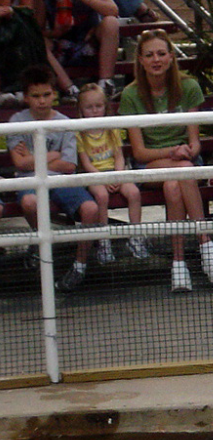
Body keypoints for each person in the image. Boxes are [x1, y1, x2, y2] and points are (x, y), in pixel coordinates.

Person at [119, 28, 213, 292]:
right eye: (149, 55)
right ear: (141, 60)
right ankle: (206, 246)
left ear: (171, 57)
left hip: (185, 164)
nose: (156, 59)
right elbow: (139, 153)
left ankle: (178, 264)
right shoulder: (131, 94)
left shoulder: (189, 86)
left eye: (161, 53)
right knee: (181, 170)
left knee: (174, 183)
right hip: (151, 164)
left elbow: (194, 144)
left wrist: (186, 152)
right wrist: (173, 152)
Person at [7, 65, 100, 289]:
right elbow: (20, 163)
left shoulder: (63, 122)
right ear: (26, 97)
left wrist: (34, 157)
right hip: (30, 180)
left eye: (46, 94)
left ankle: (80, 265)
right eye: (36, 96)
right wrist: (52, 154)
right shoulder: (16, 122)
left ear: (54, 94)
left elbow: (69, 165)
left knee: (91, 209)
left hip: (60, 180)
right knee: (30, 201)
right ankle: (41, 245)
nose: (42, 100)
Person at [68, 82, 150, 289]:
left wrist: (117, 175)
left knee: (133, 192)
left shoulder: (111, 128)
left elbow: (119, 156)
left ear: (105, 106)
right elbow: (85, 163)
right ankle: (104, 242)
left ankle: (135, 236)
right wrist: (102, 179)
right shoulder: (79, 132)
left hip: (114, 171)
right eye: (89, 107)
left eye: (98, 106)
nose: (95, 111)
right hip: (93, 175)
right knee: (102, 197)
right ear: (81, 110)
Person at [43, 0, 120, 97]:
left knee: (111, 22)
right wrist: (56, 32)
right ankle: (70, 90)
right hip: (60, 47)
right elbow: (37, 30)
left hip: (89, 43)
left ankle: (105, 84)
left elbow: (113, 10)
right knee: (41, 42)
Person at [0, 0, 48, 101]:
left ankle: (18, 87)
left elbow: (28, 10)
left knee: (23, 33)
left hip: (13, 29)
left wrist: (11, 10)